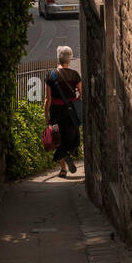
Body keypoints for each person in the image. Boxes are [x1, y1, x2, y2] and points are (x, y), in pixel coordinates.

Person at [44, 46, 81, 178]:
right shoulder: (75, 75)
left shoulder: (51, 75)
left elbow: (48, 98)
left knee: (57, 138)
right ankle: (69, 153)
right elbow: (81, 94)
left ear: (58, 58)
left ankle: (63, 169)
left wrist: (46, 114)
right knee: (72, 136)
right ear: (70, 59)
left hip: (56, 111)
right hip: (70, 112)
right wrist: (74, 103)